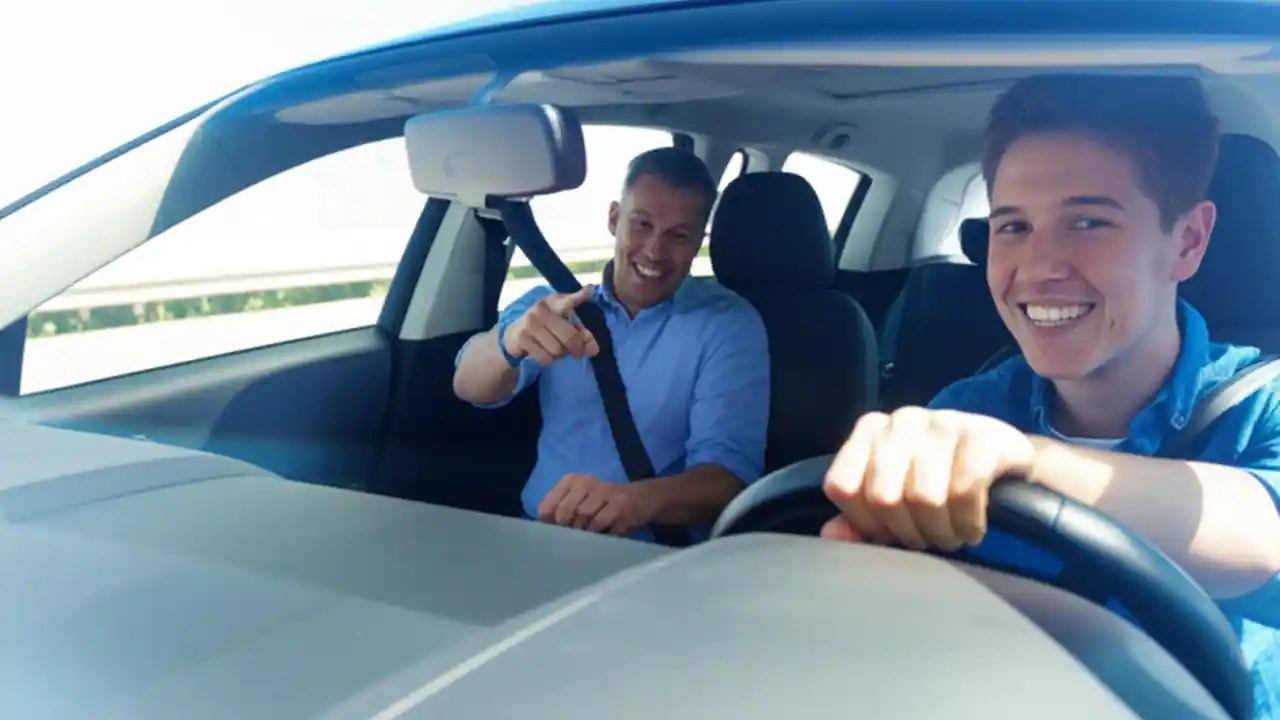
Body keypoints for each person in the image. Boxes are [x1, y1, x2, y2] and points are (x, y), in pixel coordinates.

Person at [820, 74, 1280, 716]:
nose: (1037, 268)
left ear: (1188, 241)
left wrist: (1024, 462)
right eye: (1012, 228)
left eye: (1088, 222)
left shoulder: (1263, 405)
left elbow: (1263, 536)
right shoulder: (967, 409)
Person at [453, 147, 770, 542]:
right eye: (642, 225)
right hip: (538, 534)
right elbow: (467, 385)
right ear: (614, 219)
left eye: (678, 235)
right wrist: (510, 342)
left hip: (649, 555)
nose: (655, 250)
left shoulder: (727, 324)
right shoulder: (553, 305)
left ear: (697, 243)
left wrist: (635, 502)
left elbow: (730, 478)